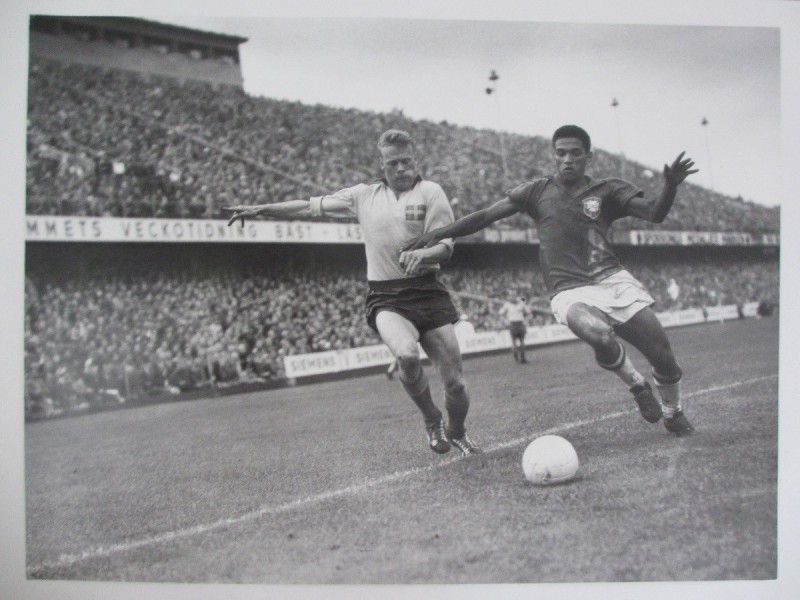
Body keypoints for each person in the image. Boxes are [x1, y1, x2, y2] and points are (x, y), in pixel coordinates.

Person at [402, 124, 697, 436]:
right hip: (569, 291)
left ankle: (673, 412)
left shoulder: (608, 190)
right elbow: (485, 216)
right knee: (598, 335)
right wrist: (437, 233)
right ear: (553, 156)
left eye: (575, 153)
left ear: (588, 156)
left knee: (663, 357)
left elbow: (654, 213)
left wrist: (670, 186)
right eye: (561, 153)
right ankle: (637, 386)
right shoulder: (537, 191)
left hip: (613, 281)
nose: (567, 159)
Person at [224, 129, 481, 455]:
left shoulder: (431, 192)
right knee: (405, 355)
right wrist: (261, 209)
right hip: (387, 296)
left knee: (455, 384)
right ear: (382, 164)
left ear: (415, 160)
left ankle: (456, 429)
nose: (401, 169)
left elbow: (445, 247)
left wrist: (425, 254)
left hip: (428, 292)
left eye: (406, 162)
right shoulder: (362, 195)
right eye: (393, 163)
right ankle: (431, 418)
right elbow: (308, 207)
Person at [498, 292, 531, 363]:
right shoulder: (507, 304)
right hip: (513, 324)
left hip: (520, 323)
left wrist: (526, 321)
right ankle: (516, 356)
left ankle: (522, 358)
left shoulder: (520, 303)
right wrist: (505, 321)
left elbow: (528, 311)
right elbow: (500, 313)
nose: (512, 297)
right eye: (511, 296)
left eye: (513, 296)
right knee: (514, 342)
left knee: (521, 342)